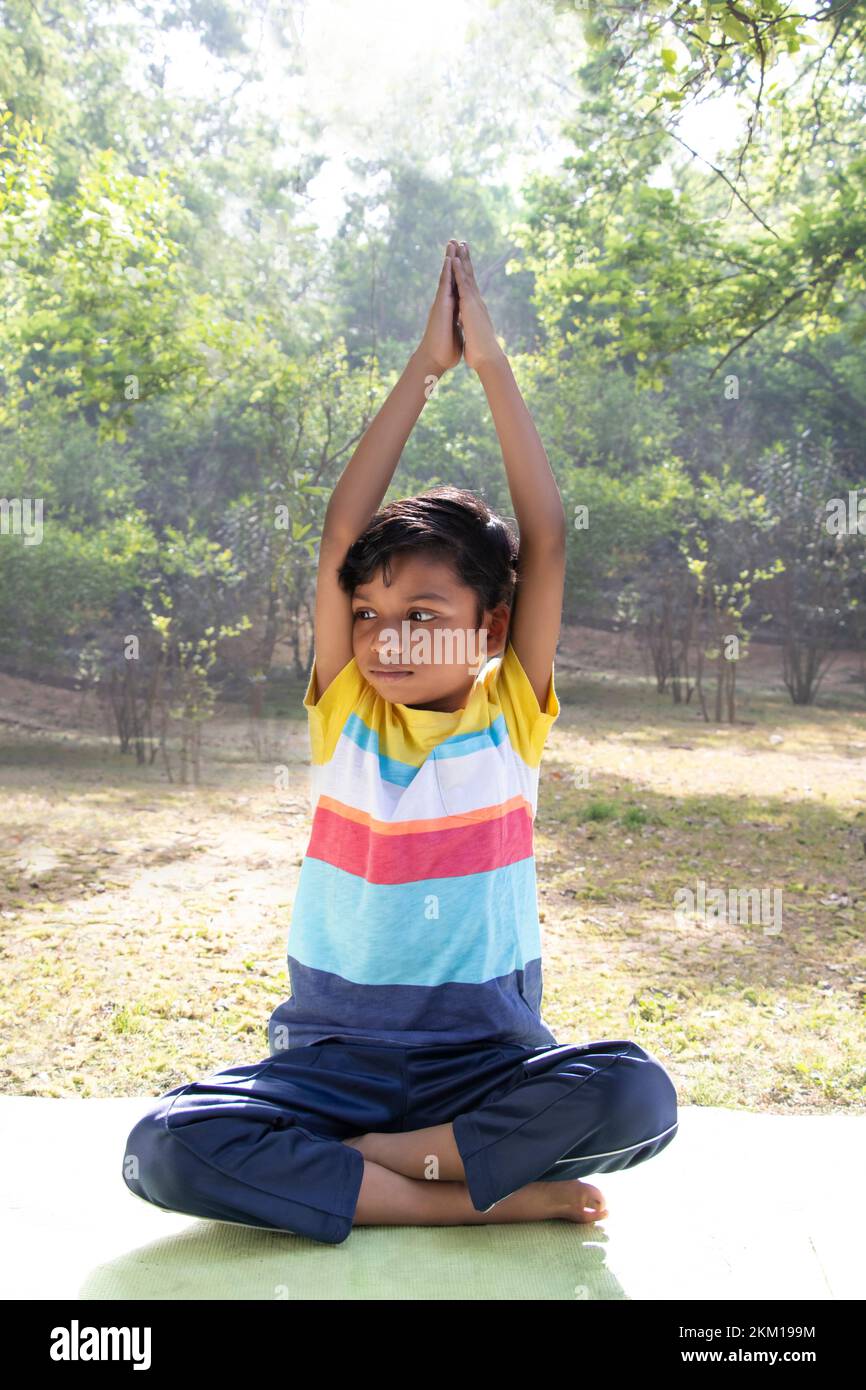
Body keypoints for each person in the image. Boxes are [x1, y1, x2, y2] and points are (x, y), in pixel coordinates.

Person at [122, 240, 678, 1245]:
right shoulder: (346, 713)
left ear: (492, 629)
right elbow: (339, 539)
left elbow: (544, 537)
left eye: (421, 613)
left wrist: (490, 365)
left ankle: (362, 1170)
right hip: (329, 1059)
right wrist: (422, 368)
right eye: (371, 616)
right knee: (161, 1144)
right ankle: (471, 1192)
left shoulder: (508, 714)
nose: (384, 637)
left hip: (485, 1062)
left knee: (637, 1095)